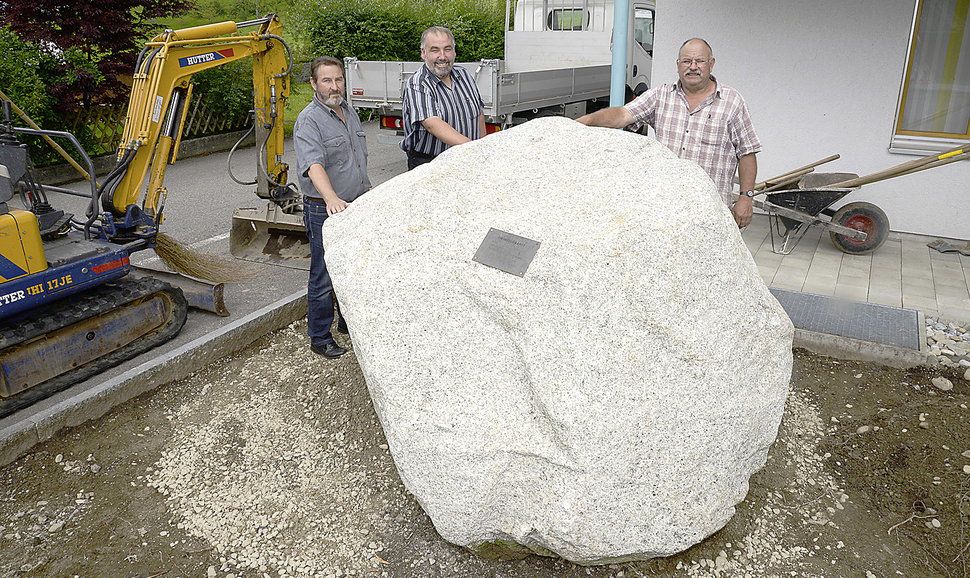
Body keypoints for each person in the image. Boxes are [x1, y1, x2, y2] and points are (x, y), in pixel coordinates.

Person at [578, 38, 761, 228]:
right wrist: (585, 122)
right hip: (665, 209)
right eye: (686, 61)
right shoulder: (660, 96)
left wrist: (746, 197)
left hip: (710, 211)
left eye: (700, 61)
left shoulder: (732, 102)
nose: (692, 67)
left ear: (711, 64)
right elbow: (623, 114)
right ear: (677, 65)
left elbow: (747, 152)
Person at [293, 56, 371, 358]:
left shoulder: (349, 112)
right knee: (323, 274)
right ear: (314, 84)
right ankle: (320, 336)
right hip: (324, 208)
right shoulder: (309, 120)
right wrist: (331, 199)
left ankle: (346, 322)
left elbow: (355, 157)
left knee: (350, 268)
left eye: (338, 79)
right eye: (327, 80)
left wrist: (365, 190)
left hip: (355, 203)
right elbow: (313, 164)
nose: (334, 86)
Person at [401, 26, 486, 170]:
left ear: (454, 52)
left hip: (468, 158)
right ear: (423, 53)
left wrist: (484, 147)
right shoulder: (417, 83)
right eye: (435, 50)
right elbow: (432, 123)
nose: (442, 56)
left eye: (447, 49)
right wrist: (473, 148)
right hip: (429, 164)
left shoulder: (464, 75)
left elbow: (478, 114)